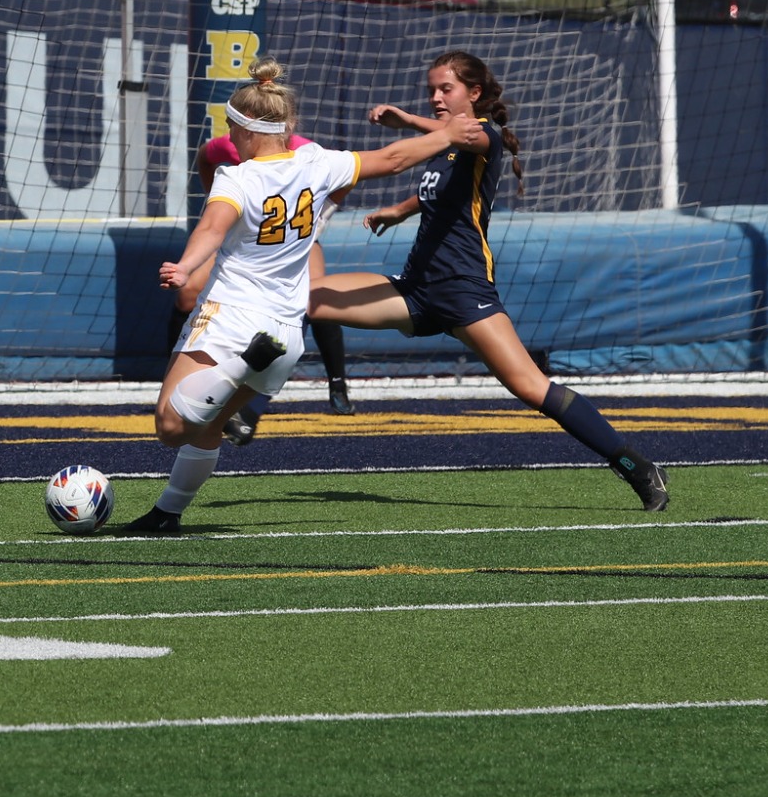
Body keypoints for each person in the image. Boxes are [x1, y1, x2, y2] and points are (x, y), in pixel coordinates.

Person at [308, 50, 669, 512]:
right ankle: (234, 412)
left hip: (464, 290)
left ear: (473, 94)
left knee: (531, 387)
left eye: (446, 89)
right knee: (306, 299)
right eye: (432, 90)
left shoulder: (486, 138)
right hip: (416, 290)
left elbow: (462, 136)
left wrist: (407, 122)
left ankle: (637, 467)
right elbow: (438, 188)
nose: (437, 97)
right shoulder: (446, 147)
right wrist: (398, 210)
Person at [129, 65, 459, 533]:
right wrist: (449, 134)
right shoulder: (318, 162)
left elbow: (211, 227)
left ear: (246, 129)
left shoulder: (236, 178)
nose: (228, 133)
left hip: (233, 317)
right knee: (204, 426)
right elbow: (395, 158)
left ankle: (235, 370)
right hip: (286, 330)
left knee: (170, 425)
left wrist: (185, 266)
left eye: (231, 125)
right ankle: (167, 514)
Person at [167, 63, 356, 436]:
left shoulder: (306, 153)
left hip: (297, 239)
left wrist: (319, 216)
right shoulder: (230, 145)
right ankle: (184, 374)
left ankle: (335, 385)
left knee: (315, 297)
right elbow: (207, 156)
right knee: (187, 292)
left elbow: (345, 180)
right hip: (248, 243)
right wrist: (216, 202)